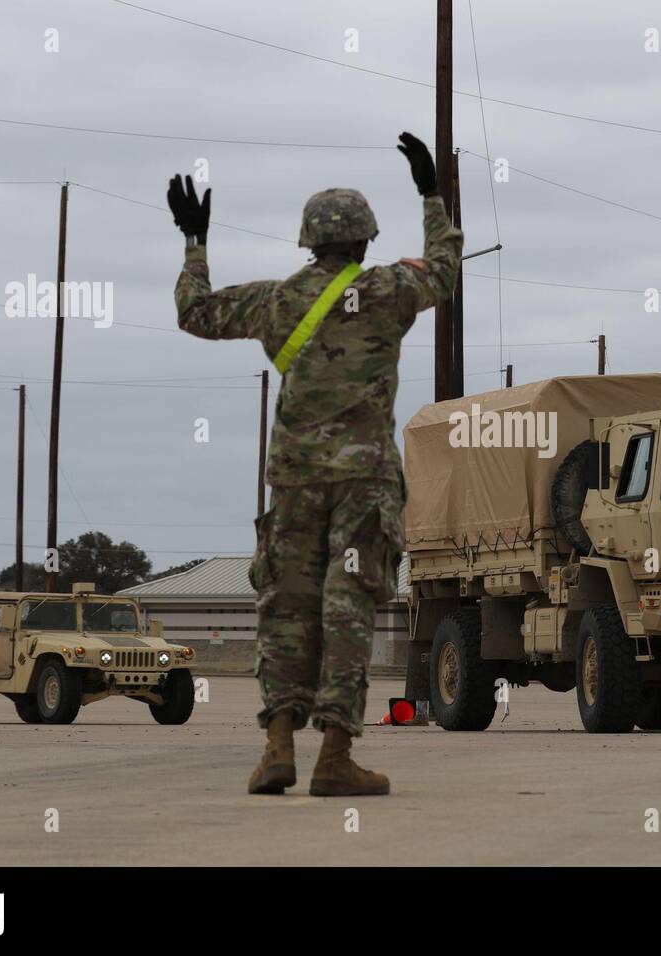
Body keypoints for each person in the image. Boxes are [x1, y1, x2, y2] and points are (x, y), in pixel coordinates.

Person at [167, 132, 463, 796]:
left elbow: (195, 313)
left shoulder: (278, 301)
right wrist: (431, 194)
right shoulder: (387, 290)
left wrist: (194, 243)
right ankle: (334, 755)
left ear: (308, 242)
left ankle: (277, 746)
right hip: (362, 483)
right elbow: (444, 270)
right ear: (363, 243)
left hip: (294, 479)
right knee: (347, 609)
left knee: (286, 607)